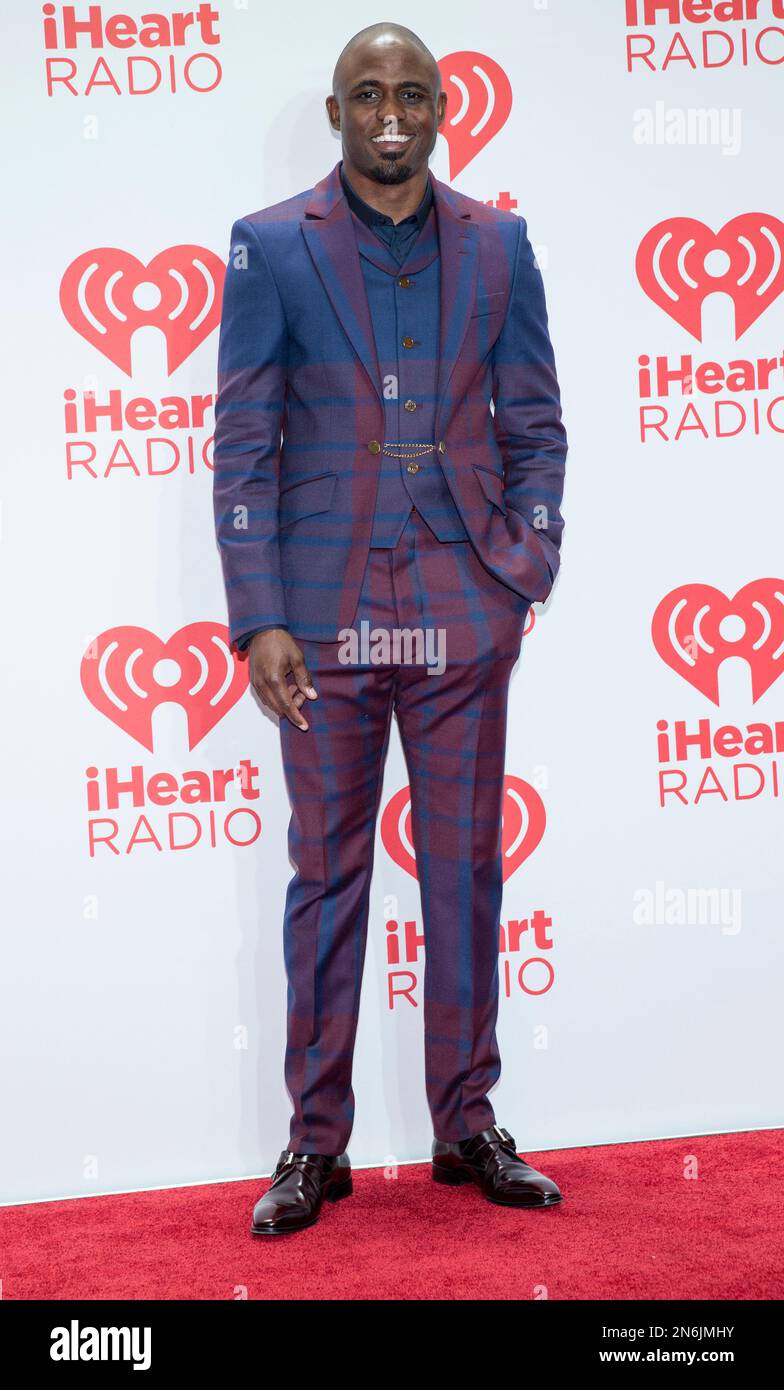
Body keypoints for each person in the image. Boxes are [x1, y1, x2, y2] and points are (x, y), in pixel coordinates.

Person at [212, 22, 568, 1236]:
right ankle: (317, 1144)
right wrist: (258, 615)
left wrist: (525, 563)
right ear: (335, 112)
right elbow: (243, 444)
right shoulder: (270, 246)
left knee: (464, 870)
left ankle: (467, 1126)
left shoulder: (499, 243)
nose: (391, 113)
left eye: (412, 93)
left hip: (466, 609)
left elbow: (536, 420)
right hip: (320, 624)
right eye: (368, 95)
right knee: (328, 878)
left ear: (442, 106)